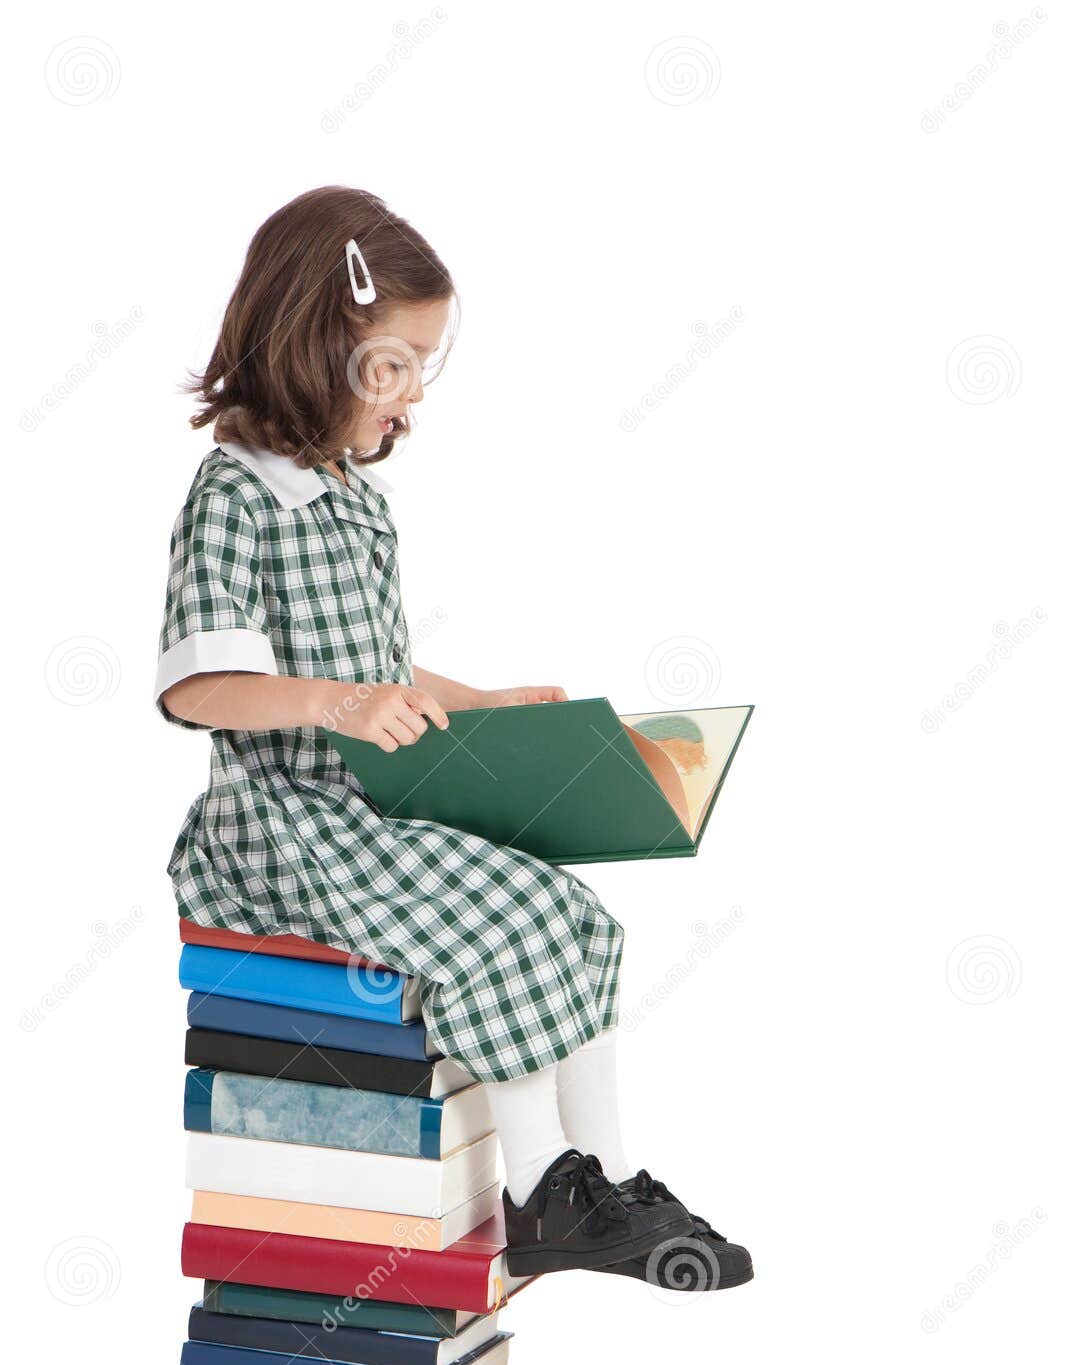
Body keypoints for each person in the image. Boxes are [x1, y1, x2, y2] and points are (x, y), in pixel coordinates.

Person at [155, 186, 751, 1289]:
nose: (413, 390)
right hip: (280, 823)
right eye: (394, 362)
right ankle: (538, 1189)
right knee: (501, 921)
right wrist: (333, 706)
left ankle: (608, 1177)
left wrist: (478, 706)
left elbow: (378, 671)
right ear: (311, 347)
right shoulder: (234, 497)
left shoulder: (353, 503)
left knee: (574, 914)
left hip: (368, 804)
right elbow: (203, 686)